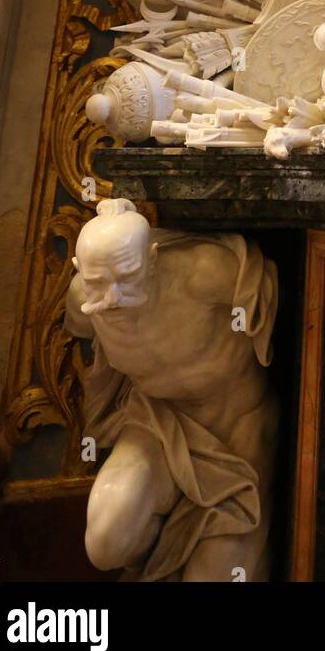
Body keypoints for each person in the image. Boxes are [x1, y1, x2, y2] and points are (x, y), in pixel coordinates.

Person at [66, 199, 278, 581]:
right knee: (105, 540)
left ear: (153, 257)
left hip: (238, 430)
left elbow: (299, 314)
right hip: (159, 424)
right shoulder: (82, 300)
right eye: (98, 282)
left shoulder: (209, 273)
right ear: (80, 271)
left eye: (128, 276)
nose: (112, 297)